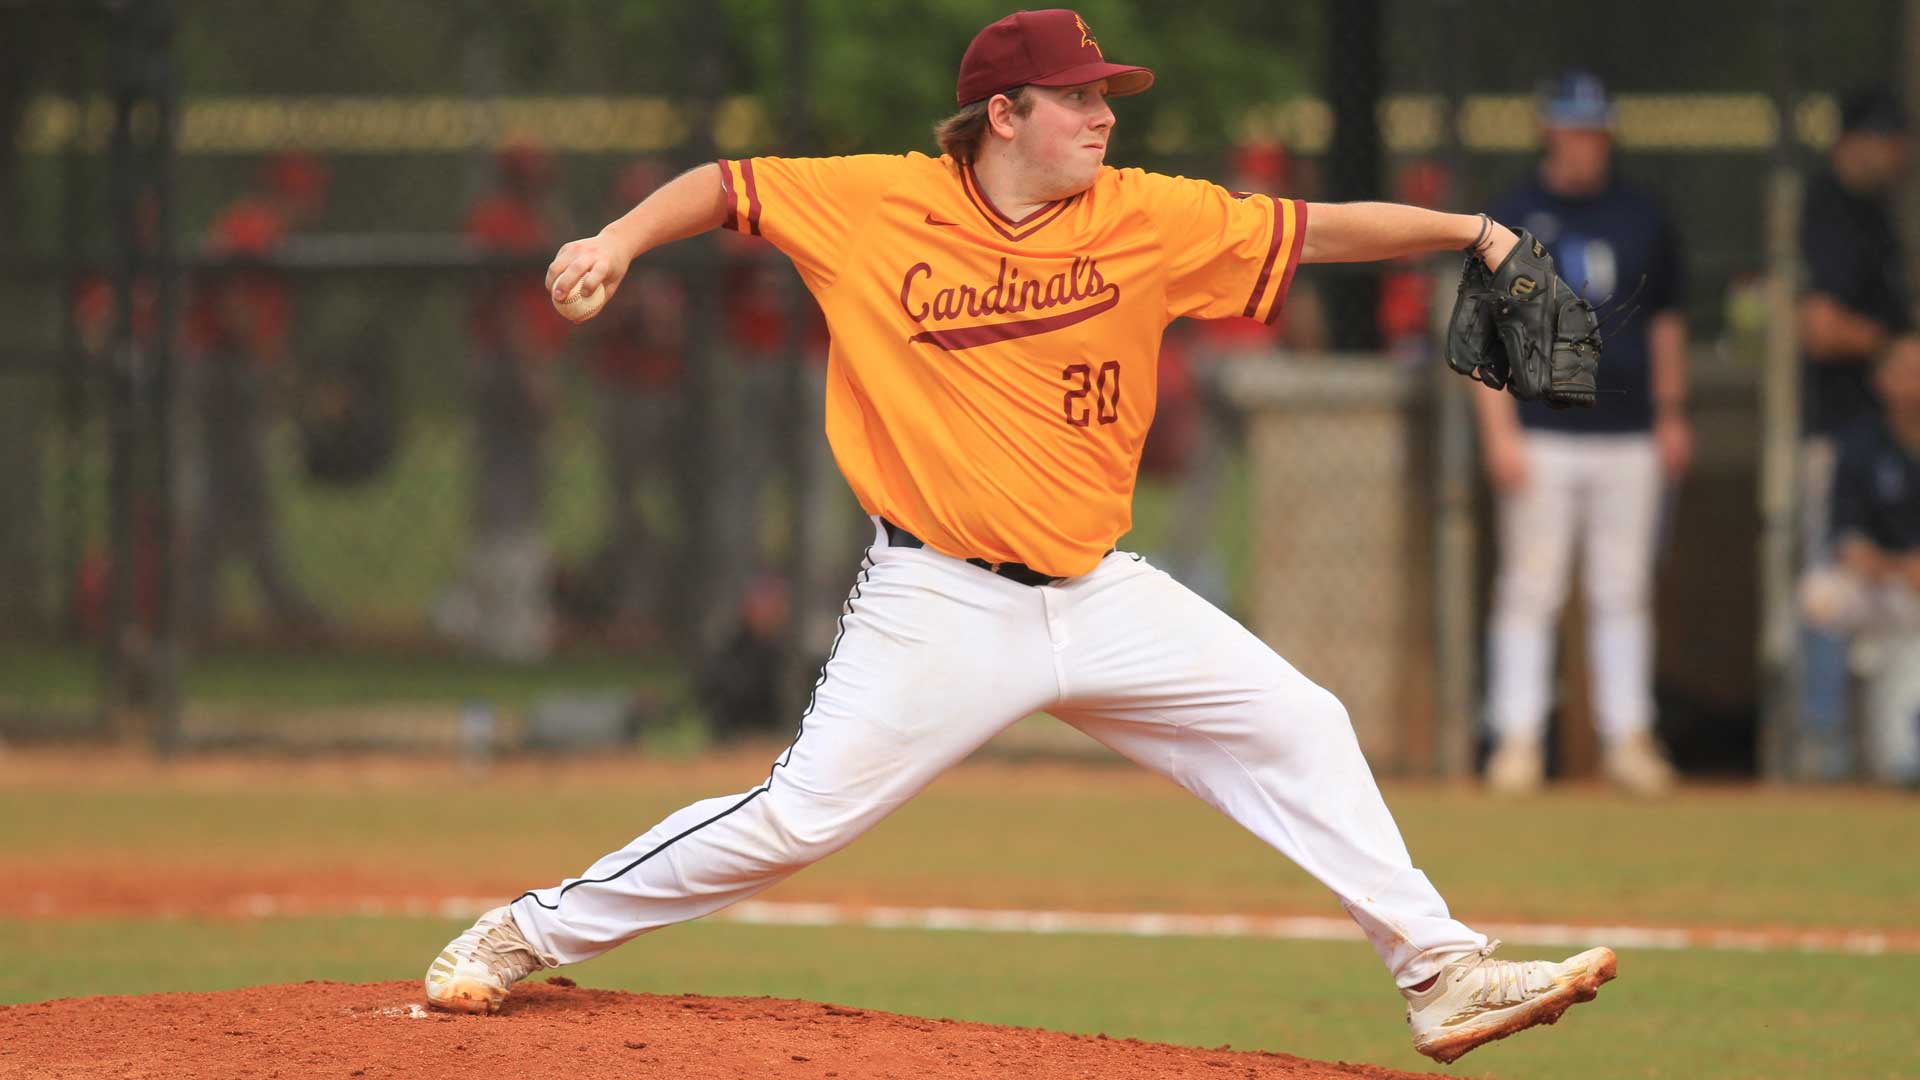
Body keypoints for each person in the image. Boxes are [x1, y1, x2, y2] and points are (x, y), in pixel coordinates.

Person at [424, 11, 1617, 1064]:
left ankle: (1440, 973)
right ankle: (525, 928)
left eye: (1108, 97)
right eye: (1083, 97)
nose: (1106, 116)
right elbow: (725, 185)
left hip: (1100, 594)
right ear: (1004, 112)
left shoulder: (1146, 216)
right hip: (940, 600)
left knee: (1300, 720)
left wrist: (1473, 231)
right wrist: (619, 241)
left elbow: (1313, 230)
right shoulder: (877, 202)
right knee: (797, 820)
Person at [1474, 71, 1690, 797]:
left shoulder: (1641, 213)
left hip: (1628, 430)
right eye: (1572, 127)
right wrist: (1498, 432)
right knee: (1531, 588)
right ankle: (1517, 740)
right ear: (1548, 130)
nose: (1585, 142)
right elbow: (1482, 332)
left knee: (1622, 589)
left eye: (1595, 128)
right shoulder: (1514, 212)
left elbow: (1664, 322)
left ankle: (1628, 737)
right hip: (1541, 427)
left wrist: (1671, 413)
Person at [1795, 87, 1913, 779]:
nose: (1901, 156)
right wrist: (1891, 343)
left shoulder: (1875, 216)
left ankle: (1871, 752)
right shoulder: (1831, 211)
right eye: (1892, 140)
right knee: (1823, 589)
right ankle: (1821, 744)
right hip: (1835, 431)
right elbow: (1822, 326)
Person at [181, 152, 333, 640]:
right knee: (236, 495)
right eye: (311, 191)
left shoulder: (262, 227)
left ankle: (211, 608)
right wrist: (262, 359)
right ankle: (267, 605)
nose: (317, 204)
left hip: (231, 368)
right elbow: (229, 299)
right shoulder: (254, 225)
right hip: (223, 369)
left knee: (231, 497)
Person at [433, 138, 571, 662]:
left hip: (504, 363)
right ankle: (508, 626)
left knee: (503, 493)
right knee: (515, 494)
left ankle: (498, 619)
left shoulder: (516, 217)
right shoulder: (503, 221)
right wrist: (534, 371)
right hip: (510, 366)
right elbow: (510, 307)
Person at [1800, 338, 1920, 784]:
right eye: (1906, 370)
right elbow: (1845, 540)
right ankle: (1823, 736)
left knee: (1898, 760)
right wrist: (1898, 567)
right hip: (1880, 586)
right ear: (1882, 381)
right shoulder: (1859, 443)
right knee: (1821, 597)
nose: (1915, 382)